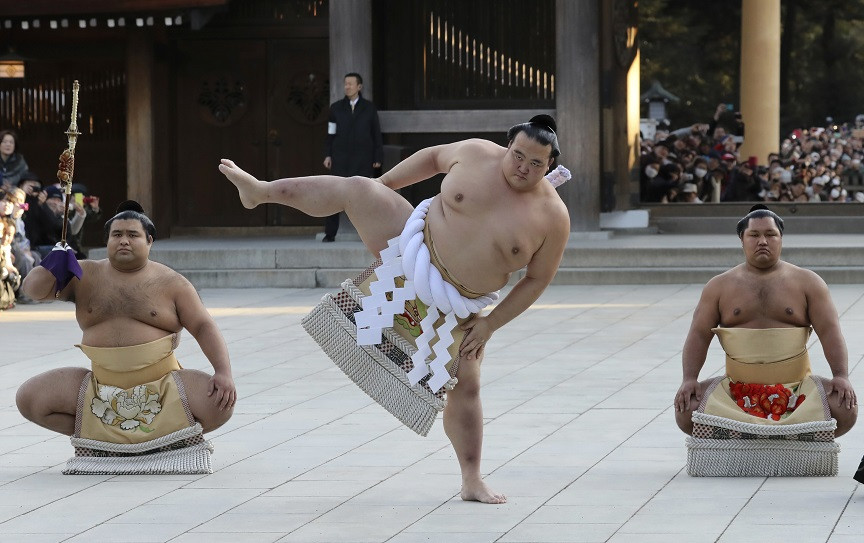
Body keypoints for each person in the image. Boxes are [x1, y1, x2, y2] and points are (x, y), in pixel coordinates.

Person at [220, 114, 570, 504]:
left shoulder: (553, 217)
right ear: (509, 145)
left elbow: (537, 279)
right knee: (358, 188)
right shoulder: (474, 153)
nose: (522, 168)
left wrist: (492, 324)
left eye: (535, 163)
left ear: (550, 166)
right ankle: (261, 191)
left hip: (458, 305)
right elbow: (433, 158)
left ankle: (472, 479)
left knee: (466, 386)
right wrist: (384, 185)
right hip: (410, 250)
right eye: (518, 155)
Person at [16, 202, 236, 461]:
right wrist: (54, 263)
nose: (124, 241)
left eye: (133, 235)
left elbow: (203, 326)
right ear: (107, 240)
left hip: (162, 386)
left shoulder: (172, 283)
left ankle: (157, 439)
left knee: (219, 404)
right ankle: (101, 439)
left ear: (149, 241)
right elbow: (32, 290)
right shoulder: (83, 274)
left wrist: (223, 371)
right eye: (117, 234)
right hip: (100, 387)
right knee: (29, 399)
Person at [674, 205, 857, 437]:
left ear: (781, 239)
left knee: (844, 408)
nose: (763, 241)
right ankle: (780, 436)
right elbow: (699, 334)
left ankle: (750, 436)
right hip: (736, 391)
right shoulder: (718, 286)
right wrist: (689, 378)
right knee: (686, 409)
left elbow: (830, 331)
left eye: (771, 234)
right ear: (742, 240)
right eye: (754, 235)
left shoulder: (808, 282)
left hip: (797, 389)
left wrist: (841, 375)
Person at [321, 72, 383, 242]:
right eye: (345, 84)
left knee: (364, 196)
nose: (347, 87)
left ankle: (367, 233)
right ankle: (330, 233)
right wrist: (328, 154)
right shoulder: (336, 108)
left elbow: (376, 134)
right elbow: (330, 134)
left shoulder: (369, 108)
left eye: (350, 84)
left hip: (363, 158)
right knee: (334, 194)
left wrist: (378, 156)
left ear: (359, 87)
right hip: (340, 157)